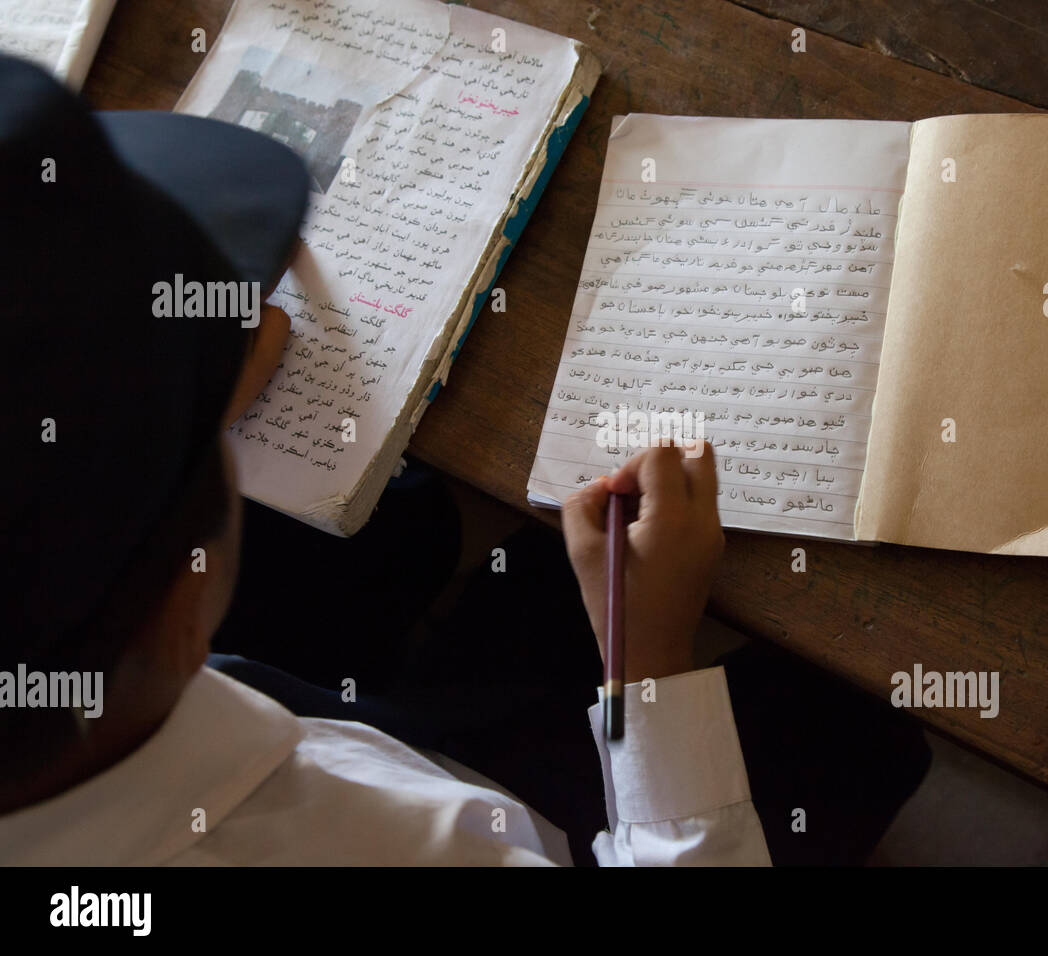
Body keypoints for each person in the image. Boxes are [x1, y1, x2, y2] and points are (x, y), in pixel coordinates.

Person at [0, 54, 770, 866]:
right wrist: (646, 667)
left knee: (426, 530)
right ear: (189, 586)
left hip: (292, 716)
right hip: (526, 811)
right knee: (844, 732)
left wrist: (169, 398)